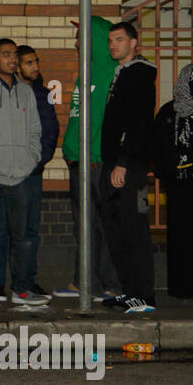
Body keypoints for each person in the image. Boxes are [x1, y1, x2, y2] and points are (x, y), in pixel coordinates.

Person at [55, 16, 122, 302]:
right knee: (84, 226)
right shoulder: (88, 71)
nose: (77, 43)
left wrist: (96, 155)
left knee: (103, 227)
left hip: (96, 162)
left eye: (83, 36)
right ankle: (86, 281)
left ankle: (111, 284)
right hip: (79, 161)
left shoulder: (110, 71)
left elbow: (106, 122)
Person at [0, 38, 45, 307]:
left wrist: (32, 158)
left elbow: (35, 131)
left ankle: (22, 288)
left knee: (23, 237)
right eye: (6, 55)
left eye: (15, 54)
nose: (12, 59)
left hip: (21, 176)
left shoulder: (26, 92)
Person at [99, 22, 157, 313]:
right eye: (110, 41)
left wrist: (122, 162)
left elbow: (138, 123)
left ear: (134, 43)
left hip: (128, 165)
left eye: (119, 40)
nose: (113, 45)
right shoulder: (123, 73)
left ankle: (144, 295)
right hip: (115, 163)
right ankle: (129, 290)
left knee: (133, 231)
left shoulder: (140, 75)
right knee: (117, 230)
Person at [151, 62, 193, 299]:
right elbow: (158, 148)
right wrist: (170, 170)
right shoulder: (170, 112)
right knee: (181, 239)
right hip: (180, 186)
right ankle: (182, 287)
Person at [15, 44, 60, 296]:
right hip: (9, 173)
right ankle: (10, 283)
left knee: (31, 230)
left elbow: (50, 131)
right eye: (29, 63)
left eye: (36, 62)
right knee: (11, 230)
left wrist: (38, 160)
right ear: (17, 67)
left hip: (33, 173)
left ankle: (27, 280)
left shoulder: (42, 94)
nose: (35, 67)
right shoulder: (9, 93)